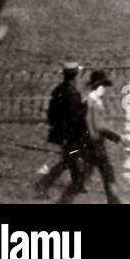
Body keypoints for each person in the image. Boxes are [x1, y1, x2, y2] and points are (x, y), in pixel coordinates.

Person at [36, 63, 86, 200]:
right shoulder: (72, 93)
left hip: (62, 132)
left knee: (73, 157)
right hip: (70, 133)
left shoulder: (59, 89)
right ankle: (43, 185)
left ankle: (78, 183)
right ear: (75, 76)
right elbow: (74, 116)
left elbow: (51, 113)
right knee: (68, 159)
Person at [81, 71, 123, 204]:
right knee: (108, 172)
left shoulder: (87, 101)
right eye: (104, 87)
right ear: (98, 86)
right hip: (95, 143)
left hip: (88, 142)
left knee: (89, 170)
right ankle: (114, 200)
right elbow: (99, 126)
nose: (105, 90)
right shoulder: (94, 102)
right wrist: (118, 137)